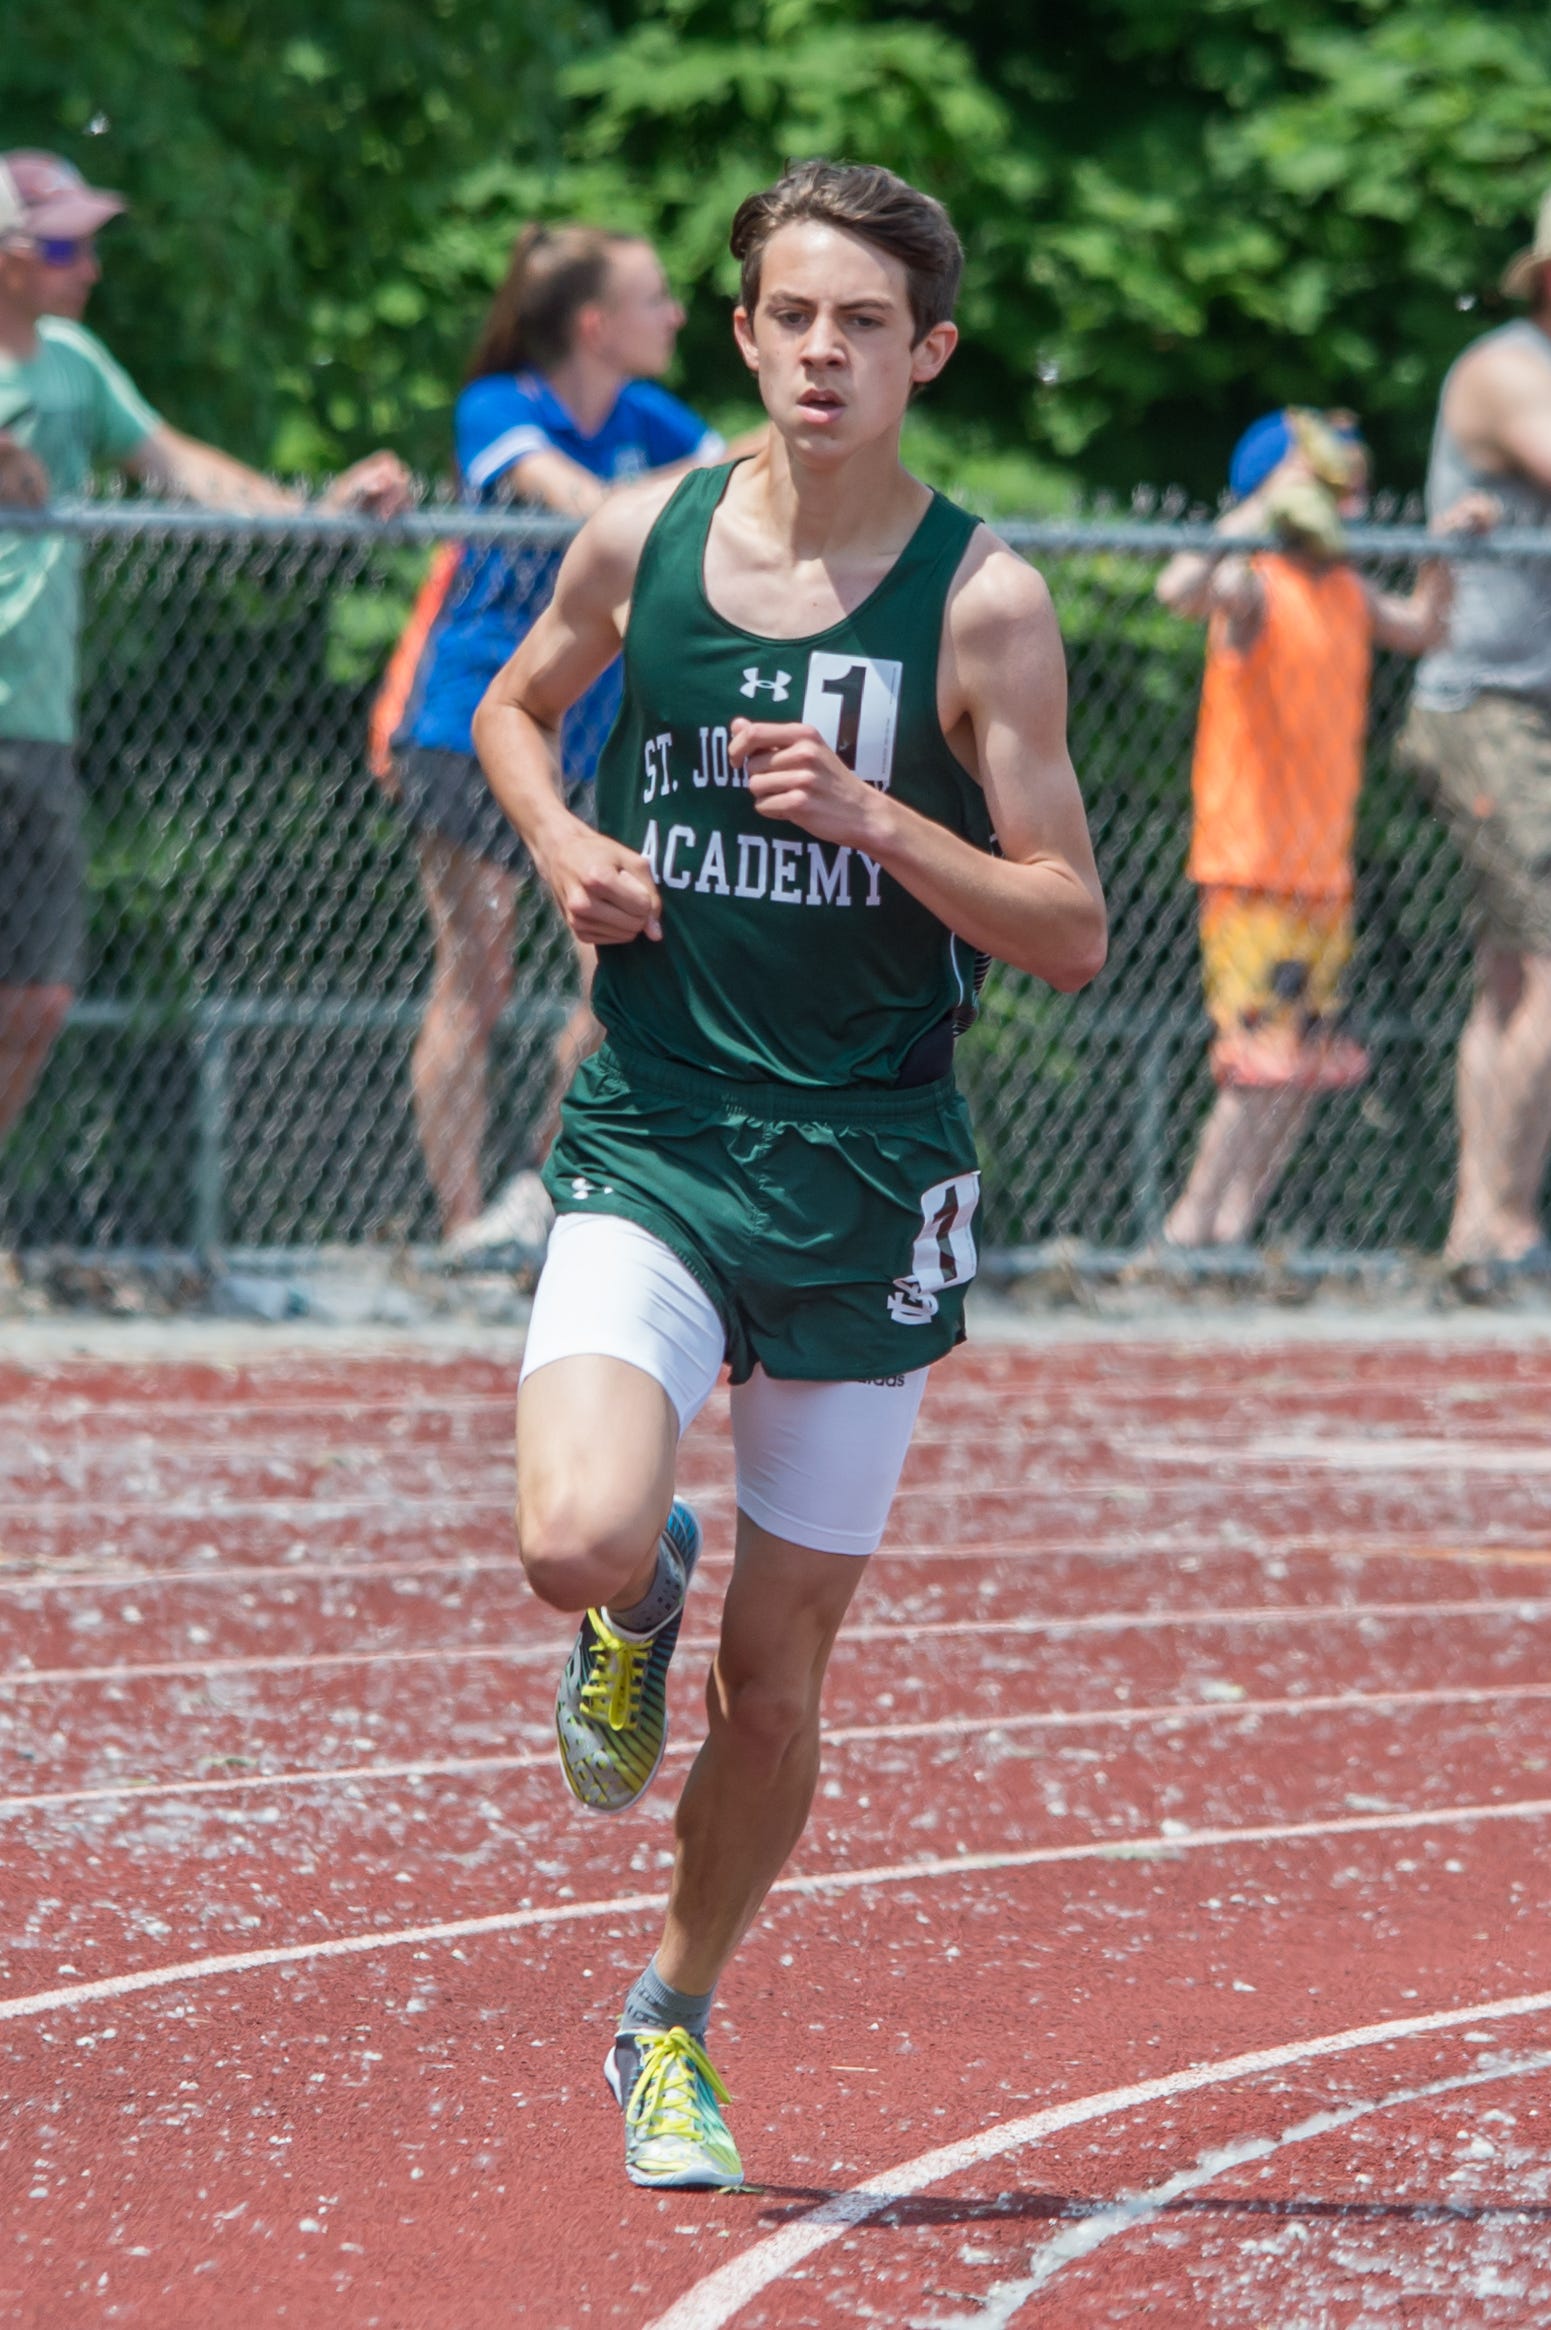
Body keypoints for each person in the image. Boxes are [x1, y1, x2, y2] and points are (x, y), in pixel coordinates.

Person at [472, 159, 1106, 2188]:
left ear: (923, 350)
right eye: (787, 317)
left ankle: (668, 2015)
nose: (820, 353)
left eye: (863, 325)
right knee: (578, 1534)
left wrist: (870, 818)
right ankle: (631, 1592)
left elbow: (1069, 923)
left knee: (777, 1679)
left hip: (866, 1167)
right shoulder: (638, 531)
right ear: (740, 332)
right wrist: (560, 843)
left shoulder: (980, 600)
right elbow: (511, 710)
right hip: (656, 1137)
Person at [0, 149, 408, 1154]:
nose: (89, 267)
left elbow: (177, 463)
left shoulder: (72, 364)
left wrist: (315, 508)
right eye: (65, 246)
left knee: (38, 997)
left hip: (34, 723)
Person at [380, 225, 743, 1263]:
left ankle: (531, 1198)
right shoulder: (500, 406)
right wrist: (694, 485)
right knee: (478, 972)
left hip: (595, 735)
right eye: (654, 297)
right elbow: (582, 513)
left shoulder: (646, 417)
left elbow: (744, 479)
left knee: (618, 970)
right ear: (594, 324)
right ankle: (460, 1229)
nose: (675, 315)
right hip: (476, 721)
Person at [1156, 407, 1488, 1251]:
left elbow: (1422, 629)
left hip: (1319, 870)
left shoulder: (1342, 586)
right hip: (1252, 862)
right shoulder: (1256, 577)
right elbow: (1180, 588)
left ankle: (1232, 1230)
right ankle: (1189, 1235)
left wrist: (1444, 552)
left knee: (1298, 1066)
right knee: (1256, 1061)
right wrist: (1256, 512)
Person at [1399, 188, 1551, 1284]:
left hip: (1527, 706)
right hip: (1487, 704)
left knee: (1513, 976)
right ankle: (1495, 1226)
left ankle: (1484, 1228)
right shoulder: (1507, 368)